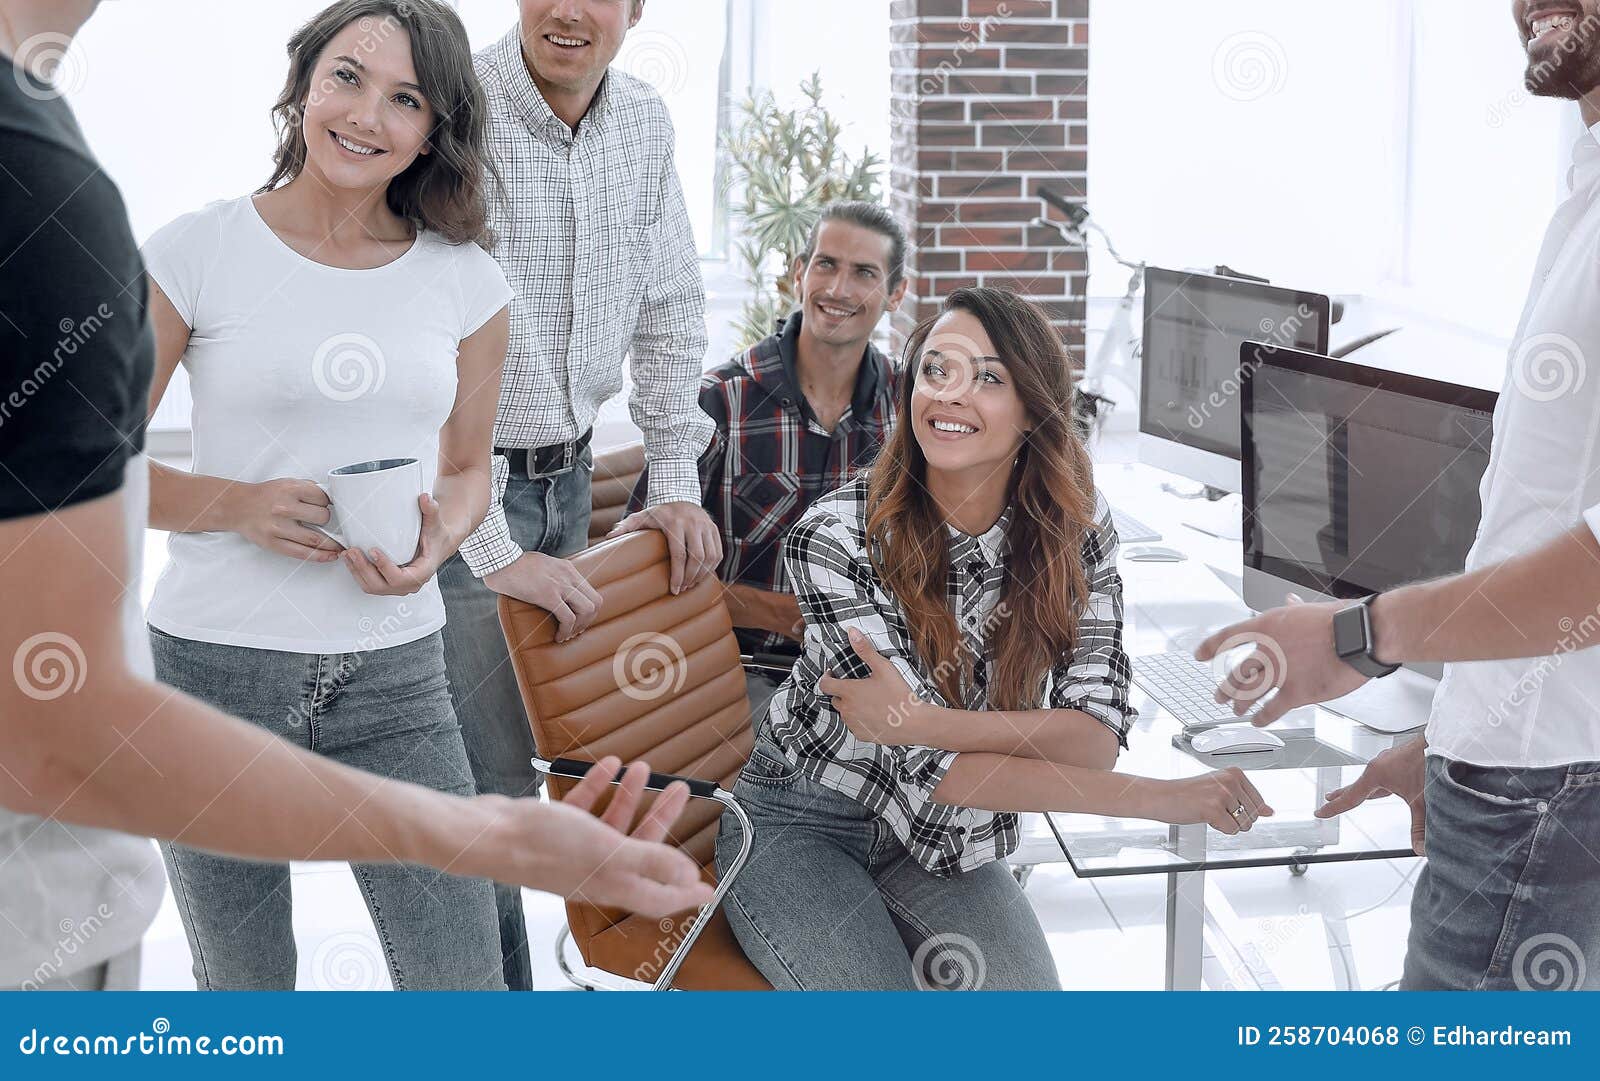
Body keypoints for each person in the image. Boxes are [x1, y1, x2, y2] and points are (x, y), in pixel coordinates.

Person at [0, 0, 712, 993]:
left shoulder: (467, 281)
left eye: (405, 98)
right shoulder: (193, 250)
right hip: (214, 670)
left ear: (433, 129)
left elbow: (468, 471)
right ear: (302, 85)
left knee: (458, 986)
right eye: (347, 77)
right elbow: (84, 474)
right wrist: (232, 506)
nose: (368, 115)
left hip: (397, 671)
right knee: (246, 994)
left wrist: (442, 540)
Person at [1197, 0, 1600, 991]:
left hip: (1538, 800)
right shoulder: (1585, 185)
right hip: (1522, 775)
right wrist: (1459, 727)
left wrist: (1358, 636)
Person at [716, 288, 1272, 991]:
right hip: (806, 819)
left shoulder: (1078, 531)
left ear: (1033, 409)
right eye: (936, 370)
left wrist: (923, 720)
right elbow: (937, 769)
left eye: (987, 377)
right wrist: (1165, 798)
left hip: (942, 839)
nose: (951, 395)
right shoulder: (835, 538)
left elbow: (1095, 738)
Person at [441, 0, 721, 989]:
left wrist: (678, 481)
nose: (570, 9)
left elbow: (673, 307)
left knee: (563, 763)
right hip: (466, 488)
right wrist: (488, 548)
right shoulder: (450, 103)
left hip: (570, 484)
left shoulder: (644, 122)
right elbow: (409, 336)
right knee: (480, 786)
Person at [622, 201, 908, 729]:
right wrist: (784, 615)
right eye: (826, 264)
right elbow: (642, 576)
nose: (839, 289)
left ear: (895, 294)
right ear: (799, 273)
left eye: (864, 272)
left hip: (878, 682)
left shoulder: (911, 409)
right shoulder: (718, 402)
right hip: (742, 675)